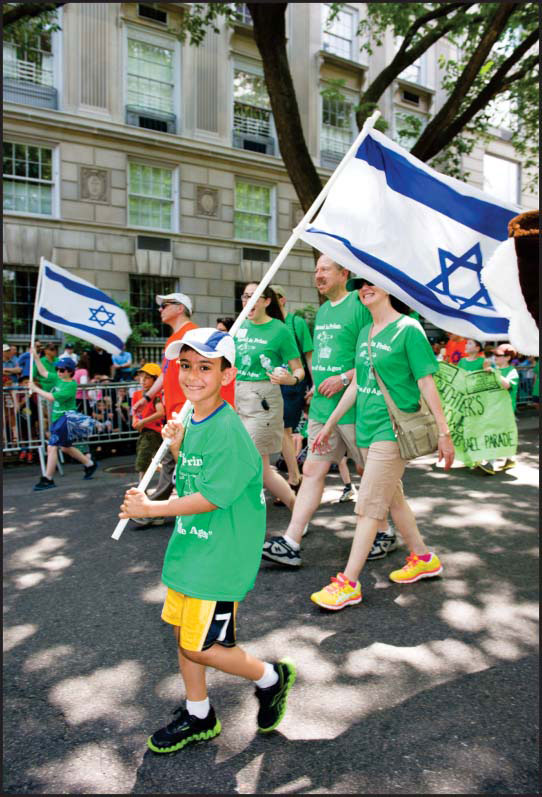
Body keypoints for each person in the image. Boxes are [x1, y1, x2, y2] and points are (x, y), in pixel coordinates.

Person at [118, 328, 296, 753]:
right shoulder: (192, 420)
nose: (193, 376)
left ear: (227, 376)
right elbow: (192, 478)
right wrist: (178, 448)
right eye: (186, 366)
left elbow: (212, 498)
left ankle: (271, 678)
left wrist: (150, 509)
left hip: (221, 558)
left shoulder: (230, 431)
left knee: (204, 647)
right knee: (185, 637)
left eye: (205, 367)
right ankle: (200, 715)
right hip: (192, 551)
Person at [309, 278, 454, 610]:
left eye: (372, 283)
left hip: (394, 430)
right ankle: (423, 557)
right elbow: (359, 382)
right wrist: (329, 425)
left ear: (389, 288)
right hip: (367, 427)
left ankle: (349, 583)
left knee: (370, 505)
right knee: (392, 499)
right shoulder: (366, 333)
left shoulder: (409, 329)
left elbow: (425, 381)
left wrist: (444, 433)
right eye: (360, 285)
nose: (364, 289)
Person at [262, 258, 394, 568]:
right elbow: (322, 357)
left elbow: (375, 353)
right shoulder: (322, 311)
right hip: (323, 407)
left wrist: (345, 378)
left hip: (357, 407)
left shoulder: (361, 304)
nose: (318, 275)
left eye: (325, 269)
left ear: (343, 273)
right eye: (317, 269)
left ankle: (386, 530)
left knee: (371, 474)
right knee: (312, 471)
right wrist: (315, 384)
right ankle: (292, 541)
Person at [131, 293, 198, 528]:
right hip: (175, 410)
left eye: (164, 305)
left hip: (186, 409)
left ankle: (156, 509)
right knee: (174, 460)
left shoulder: (191, 335)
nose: (160, 309)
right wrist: (147, 397)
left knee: (179, 459)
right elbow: (165, 374)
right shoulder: (173, 340)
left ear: (180, 308)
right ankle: (162, 509)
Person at [235, 283, 305, 510]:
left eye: (255, 296)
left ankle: (296, 511)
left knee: (256, 465)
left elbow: (299, 369)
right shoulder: (239, 327)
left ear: (267, 301)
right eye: (245, 296)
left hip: (263, 401)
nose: (248, 300)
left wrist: (290, 379)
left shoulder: (280, 330)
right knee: (249, 464)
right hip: (237, 399)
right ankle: (289, 512)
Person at [270, 284, 313, 503]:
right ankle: (294, 477)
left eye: (271, 296)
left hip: (292, 385)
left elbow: (308, 356)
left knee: (284, 430)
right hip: (271, 384)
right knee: (281, 432)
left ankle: (294, 478)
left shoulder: (296, 323)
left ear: (282, 299)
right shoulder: (267, 325)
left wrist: (315, 384)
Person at [30, 355, 98, 491]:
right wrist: (36, 357)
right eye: (58, 369)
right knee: (65, 447)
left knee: (52, 447)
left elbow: (50, 397)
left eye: (62, 370)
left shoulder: (71, 385)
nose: (59, 372)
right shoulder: (57, 378)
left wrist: (35, 389)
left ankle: (47, 478)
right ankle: (90, 464)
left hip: (66, 418)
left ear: (70, 371)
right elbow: (43, 372)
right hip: (58, 418)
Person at [477, 344, 520, 474]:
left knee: (494, 435)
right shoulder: (494, 370)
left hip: (505, 410)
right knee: (502, 436)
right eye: (494, 355)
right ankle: (510, 459)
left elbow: (507, 385)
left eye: (498, 355)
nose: (495, 357)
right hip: (494, 408)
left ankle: (490, 463)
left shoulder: (512, 371)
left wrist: (494, 372)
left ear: (508, 357)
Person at [131, 363, 165, 480]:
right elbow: (135, 412)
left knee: (143, 459)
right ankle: (168, 473)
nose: (143, 381)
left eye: (147, 378)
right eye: (141, 377)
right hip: (143, 431)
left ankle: (141, 488)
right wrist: (135, 422)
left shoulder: (156, 395)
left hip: (154, 431)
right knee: (154, 459)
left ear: (156, 380)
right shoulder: (136, 394)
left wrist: (143, 422)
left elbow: (161, 412)